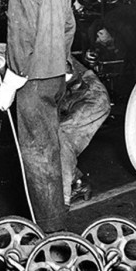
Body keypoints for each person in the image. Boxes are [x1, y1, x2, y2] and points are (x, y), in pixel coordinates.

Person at [0, 0, 77, 231]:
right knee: (50, 147)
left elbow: (21, 29)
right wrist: (64, 64)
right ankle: (55, 220)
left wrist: (10, 82)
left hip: (33, 79)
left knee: (37, 155)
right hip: (55, 75)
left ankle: (52, 234)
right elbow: (69, 24)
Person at [57, 55, 109, 204]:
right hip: (71, 97)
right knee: (48, 134)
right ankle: (79, 184)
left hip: (92, 97)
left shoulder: (46, 47)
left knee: (61, 135)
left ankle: (63, 198)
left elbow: (70, 76)